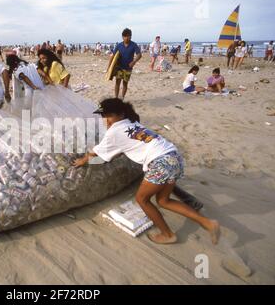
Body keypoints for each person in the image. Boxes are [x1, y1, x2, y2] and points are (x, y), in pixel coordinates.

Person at [72, 98, 220, 245]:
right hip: (174, 157)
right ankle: (208, 223)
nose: (107, 120)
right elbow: (122, 149)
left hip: (161, 163)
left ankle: (167, 234)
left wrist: (81, 161)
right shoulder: (133, 123)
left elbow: (95, 153)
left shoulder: (114, 132)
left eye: (110, 116)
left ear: (121, 114)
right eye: (104, 117)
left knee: (142, 199)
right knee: (163, 201)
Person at [107, 28, 142, 99]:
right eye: (125, 36)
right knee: (117, 83)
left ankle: (122, 97)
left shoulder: (133, 45)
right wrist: (109, 67)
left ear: (131, 36)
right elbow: (113, 56)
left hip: (128, 68)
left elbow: (139, 54)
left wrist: (134, 61)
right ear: (122, 37)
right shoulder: (119, 45)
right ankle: (116, 98)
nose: (127, 37)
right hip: (119, 67)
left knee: (125, 84)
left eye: (129, 36)